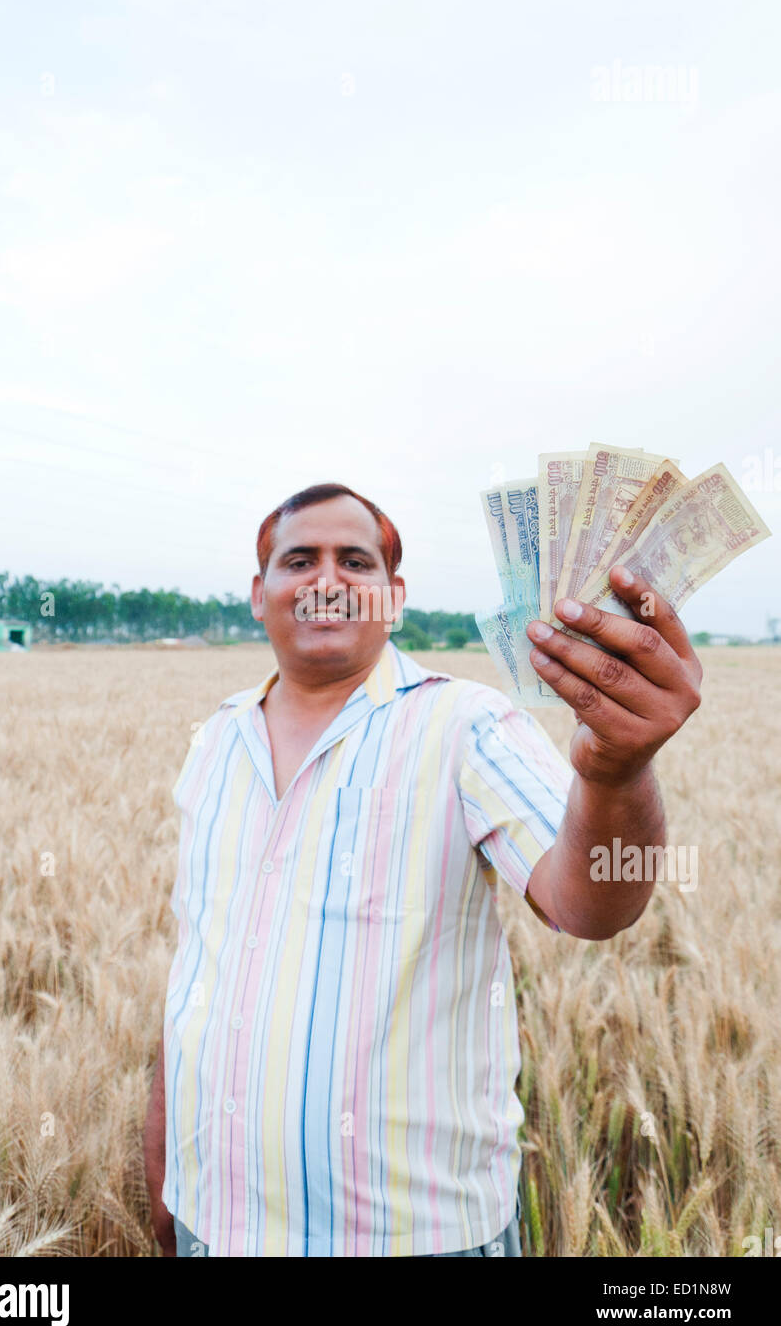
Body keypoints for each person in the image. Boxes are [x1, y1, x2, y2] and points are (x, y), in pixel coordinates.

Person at [143, 482, 702, 1257]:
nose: (327, 580)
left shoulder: (465, 723)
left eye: (356, 562)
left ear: (393, 597)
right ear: (257, 593)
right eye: (298, 559)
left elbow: (591, 906)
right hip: (218, 1226)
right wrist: (168, 1168)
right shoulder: (215, 741)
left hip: (416, 1240)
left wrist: (616, 773)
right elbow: (197, 972)